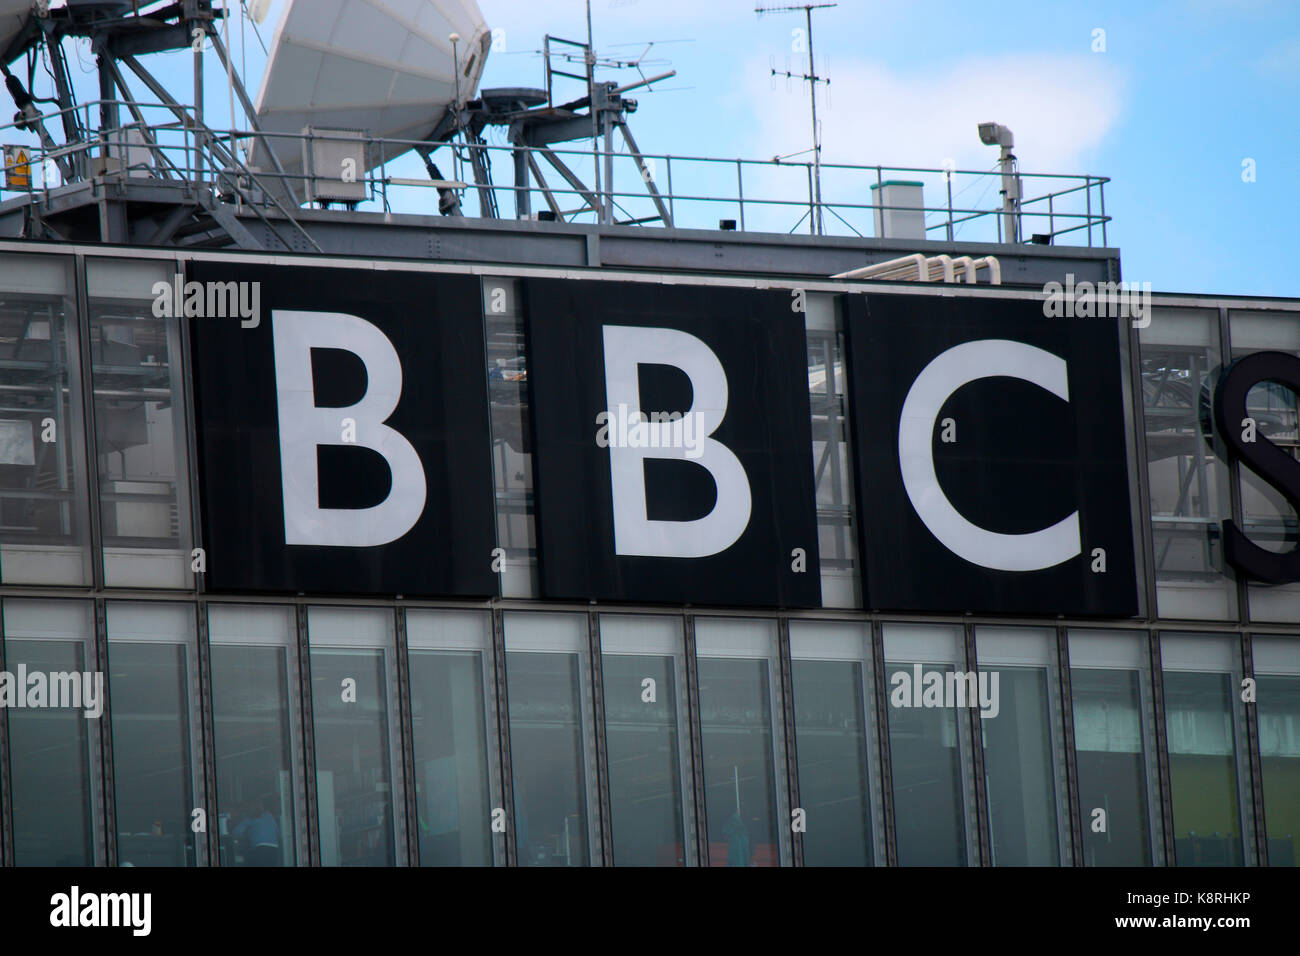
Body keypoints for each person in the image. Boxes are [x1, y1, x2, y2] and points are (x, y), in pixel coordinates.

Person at [231, 795, 282, 866]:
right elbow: (278, 833)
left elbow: (235, 833)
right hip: (274, 850)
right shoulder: (269, 815)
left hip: (260, 850)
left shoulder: (249, 819)